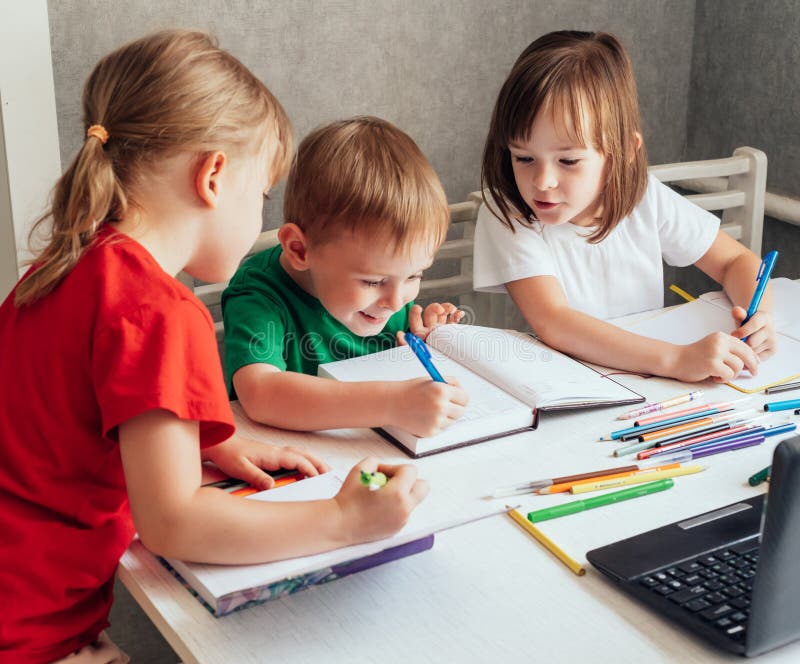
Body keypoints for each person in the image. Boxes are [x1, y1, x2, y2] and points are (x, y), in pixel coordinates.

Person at [0, 31, 427, 664]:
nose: (260, 214)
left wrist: (211, 440)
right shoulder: (160, 312)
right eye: (261, 194)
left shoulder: (69, 263)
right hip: (28, 631)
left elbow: (67, 423)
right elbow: (174, 524)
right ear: (214, 176)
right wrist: (346, 520)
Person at [474, 30, 776, 383]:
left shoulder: (645, 197)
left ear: (624, 152)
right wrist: (677, 359)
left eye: (568, 161)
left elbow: (736, 261)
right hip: (565, 384)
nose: (542, 181)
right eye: (523, 157)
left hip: (648, 383)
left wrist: (759, 318)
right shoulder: (508, 211)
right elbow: (554, 321)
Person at [222, 116, 469, 436]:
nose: (395, 302)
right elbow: (260, 394)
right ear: (299, 250)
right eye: (373, 281)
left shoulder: (387, 303)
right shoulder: (259, 296)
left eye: (414, 276)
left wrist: (425, 343)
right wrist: (394, 404)